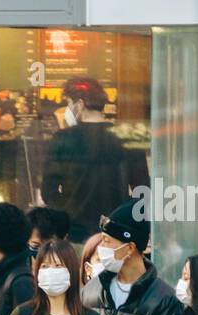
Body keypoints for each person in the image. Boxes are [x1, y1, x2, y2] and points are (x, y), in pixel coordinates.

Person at [41, 76, 145, 243]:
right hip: (117, 233)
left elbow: (49, 191)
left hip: (76, 234)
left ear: (80, 104)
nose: (67, 109)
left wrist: (69, 213)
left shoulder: (63, 138)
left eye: (68, 103)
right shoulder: (127, 136)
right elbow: (142, 189)